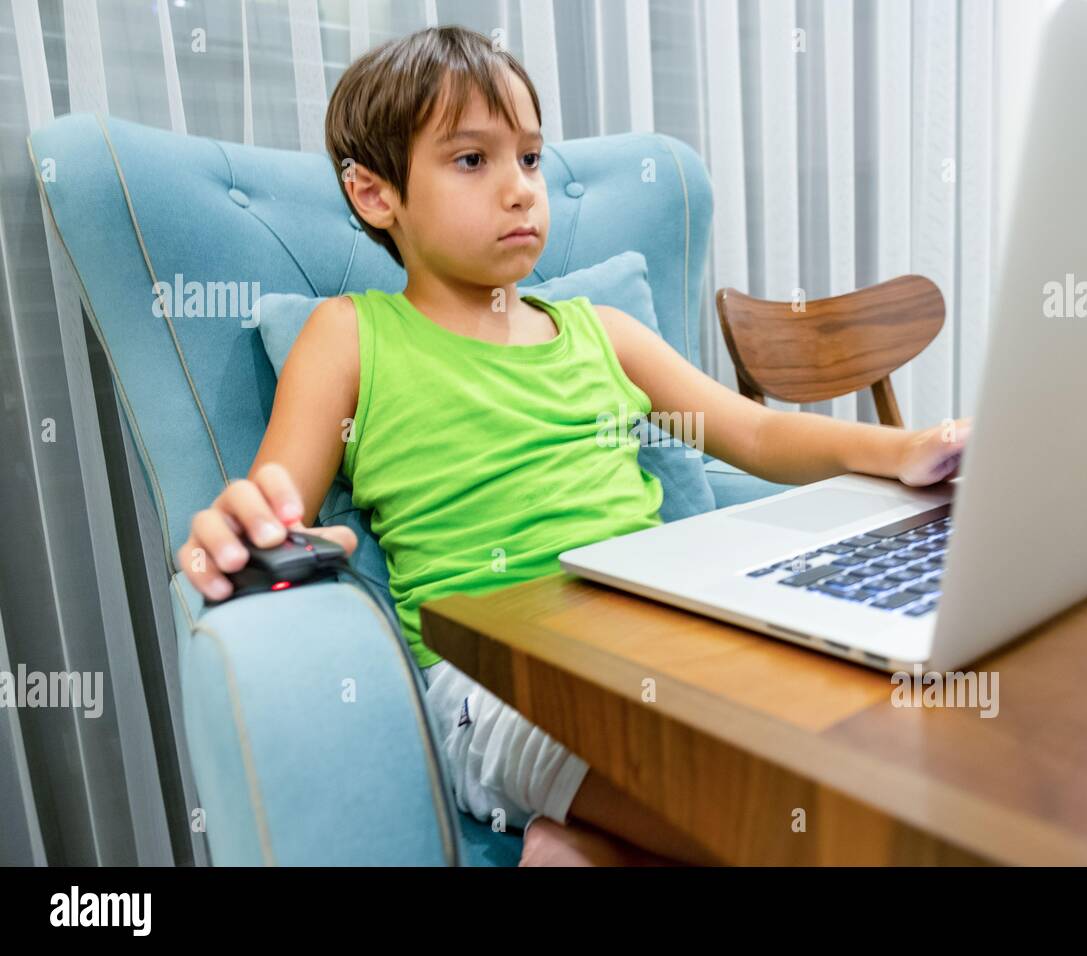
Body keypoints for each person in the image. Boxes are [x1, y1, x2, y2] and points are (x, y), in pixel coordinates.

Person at [177, 25, 969, 866]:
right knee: (786, 824)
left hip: (658, 635)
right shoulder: (351, 336)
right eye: (472, 160)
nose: (521, 190)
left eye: (528, 157)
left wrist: (904, 448)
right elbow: (275, 505)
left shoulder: (603, 333)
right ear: (377, 196)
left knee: (866, 754)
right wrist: (243, 523)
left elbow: (757, 430)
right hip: (497, 681)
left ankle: (574, 851)